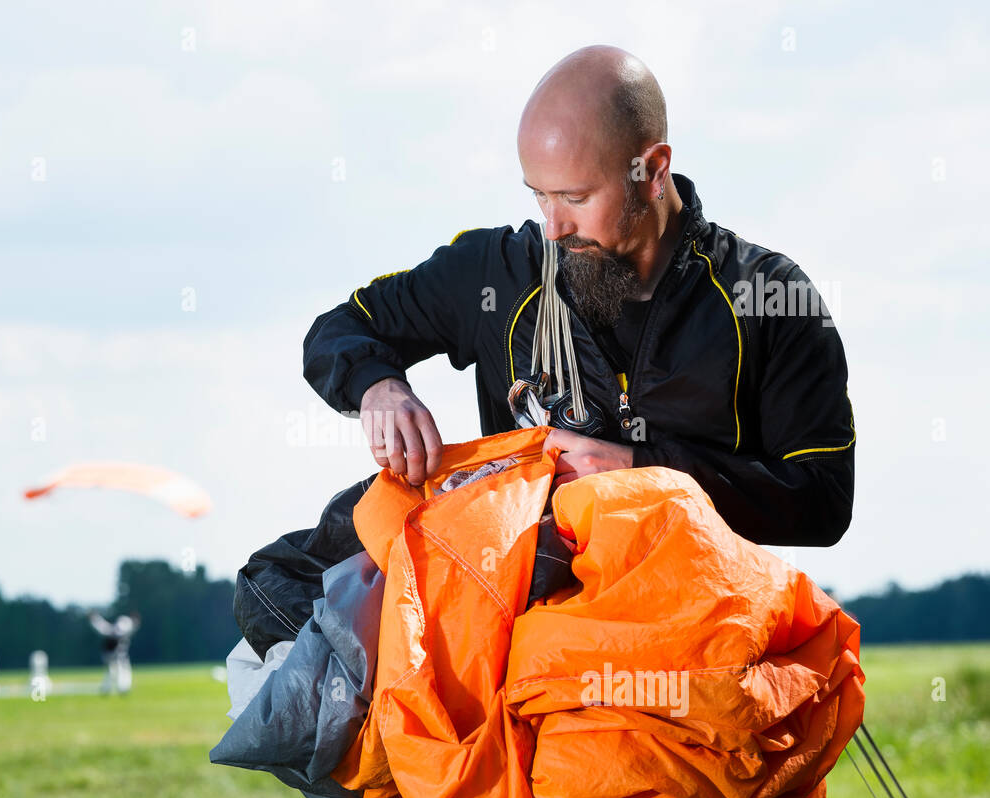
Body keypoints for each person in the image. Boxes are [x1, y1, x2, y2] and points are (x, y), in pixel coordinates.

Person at [302, 45, 855, 548]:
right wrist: (377, 385)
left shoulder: (769, 297)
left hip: (695, 615)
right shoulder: (497, 274)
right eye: (540, 195)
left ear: (653, 170)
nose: (553, 226)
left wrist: (640, 473)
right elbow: (341, 326)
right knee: (296, 579)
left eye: (575, 196)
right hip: (531, 620)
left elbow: (823, 500)